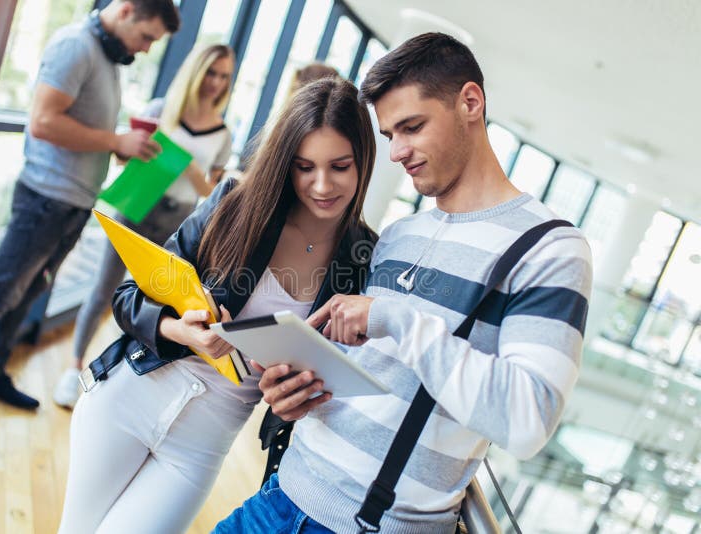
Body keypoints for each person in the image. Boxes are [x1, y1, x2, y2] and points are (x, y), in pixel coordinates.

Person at [215, 32, 593, 534]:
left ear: (470, 103)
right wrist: (297, 392)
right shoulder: (397, 235)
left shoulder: (550, 249)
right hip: (281, 496)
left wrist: (395, 318)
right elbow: (371, 372)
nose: (396, 152)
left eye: (411, 127)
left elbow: (525, 422)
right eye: (390, 134)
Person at [57, 77, 377, 534]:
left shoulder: (364, 257)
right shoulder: (236, 203)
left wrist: (297, 397)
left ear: (363, 160)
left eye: (340, 166)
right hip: (129, 396)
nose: (321, 185)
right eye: (304, 167)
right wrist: (180, 330)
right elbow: (128, 297)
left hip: (202, 442)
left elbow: (343, 382)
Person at [0, 0, 180, 449]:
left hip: (70, 202)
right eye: (147, 37)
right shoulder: (74, 45)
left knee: (29, 289)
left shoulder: (105, 54)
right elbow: (42, 122)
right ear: (128, 10)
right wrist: (115, 139)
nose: (148, 48)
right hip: (44, 200)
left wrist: (115, 147)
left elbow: (77, 124)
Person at [52, 43, 236, 409]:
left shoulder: (222, 134)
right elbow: (125, 158)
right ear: (196, 71)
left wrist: (185, 166)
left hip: (177, 221)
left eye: (224, 76)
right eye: (211, 72)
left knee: (151, 303)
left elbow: (213, 192)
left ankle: (118, 373)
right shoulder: (160, 110)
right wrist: (142, 151)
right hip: (137, 210)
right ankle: (72, 369)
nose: (216, 82)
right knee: (104, 288)